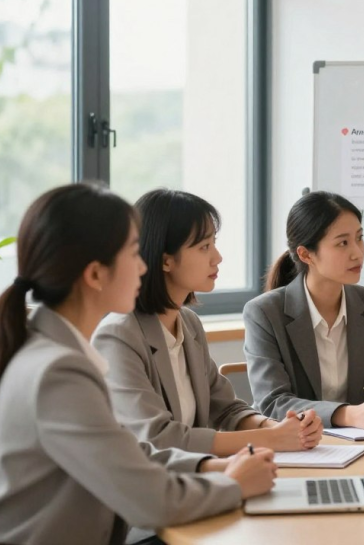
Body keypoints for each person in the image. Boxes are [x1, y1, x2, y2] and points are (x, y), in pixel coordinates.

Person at [0, 183, 276, 545]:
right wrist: (233, 483)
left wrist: (213, 466)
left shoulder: (56, 354)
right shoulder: (58, 372)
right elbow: (151, 502)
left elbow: (130, 454)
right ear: (95, 274)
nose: (143, 265)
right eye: (134, 253)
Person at [94, 189, 322, 455]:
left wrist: (277, 427)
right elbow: (158, 438)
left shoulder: (188, 323)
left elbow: (227, 408)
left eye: (214, 243)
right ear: (166, 260)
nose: (217, 257)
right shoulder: (118, 336)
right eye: (204, 247)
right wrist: (271, 439)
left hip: (196, 477)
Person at [244, 191, 364, 430]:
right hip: (300, 447)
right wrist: (347, 415)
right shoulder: (264, 312)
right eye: (343, 243)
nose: (358, 252)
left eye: (359, 238)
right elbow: (273, 402)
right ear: (305, 254)